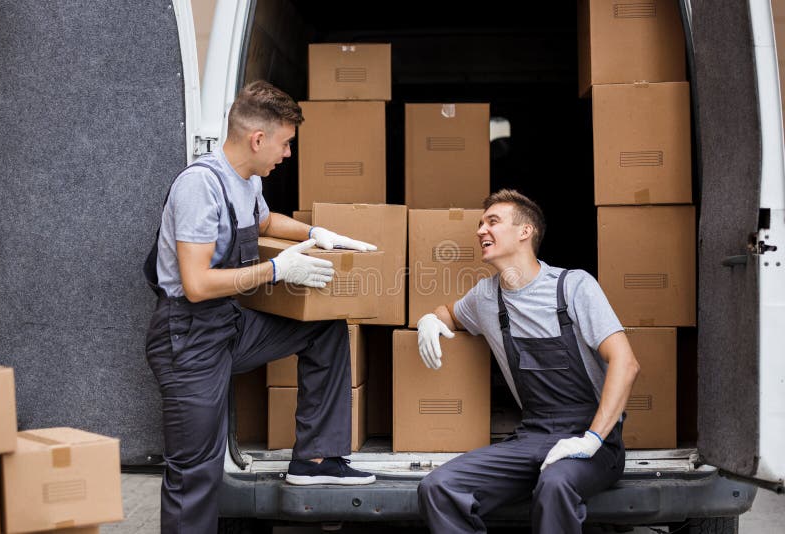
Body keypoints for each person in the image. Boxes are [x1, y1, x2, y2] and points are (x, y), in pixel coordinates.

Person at [143, 80, 377, 534]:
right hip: (187, 337)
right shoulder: (201, 187)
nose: (287, 154)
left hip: (227, 324)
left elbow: (266, 220)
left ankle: (314, 458)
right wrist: (275, 272)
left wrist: (314, 234)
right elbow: (195, 284)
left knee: (324, 327)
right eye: (285, 143)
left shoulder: (245, 181)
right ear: (257, 139)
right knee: (195, 472)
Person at [415, 189, 640, 534]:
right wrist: (430, 320)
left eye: (492, 222)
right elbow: (448, 313)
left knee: (555, 484)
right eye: (479, 224)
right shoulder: (486, 297)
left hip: (593, 441)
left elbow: (625, 363)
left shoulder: (573, 287)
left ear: (525, 232)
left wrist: (592, 439)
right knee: (439, 487)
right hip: (533, 435)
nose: (480, 231)